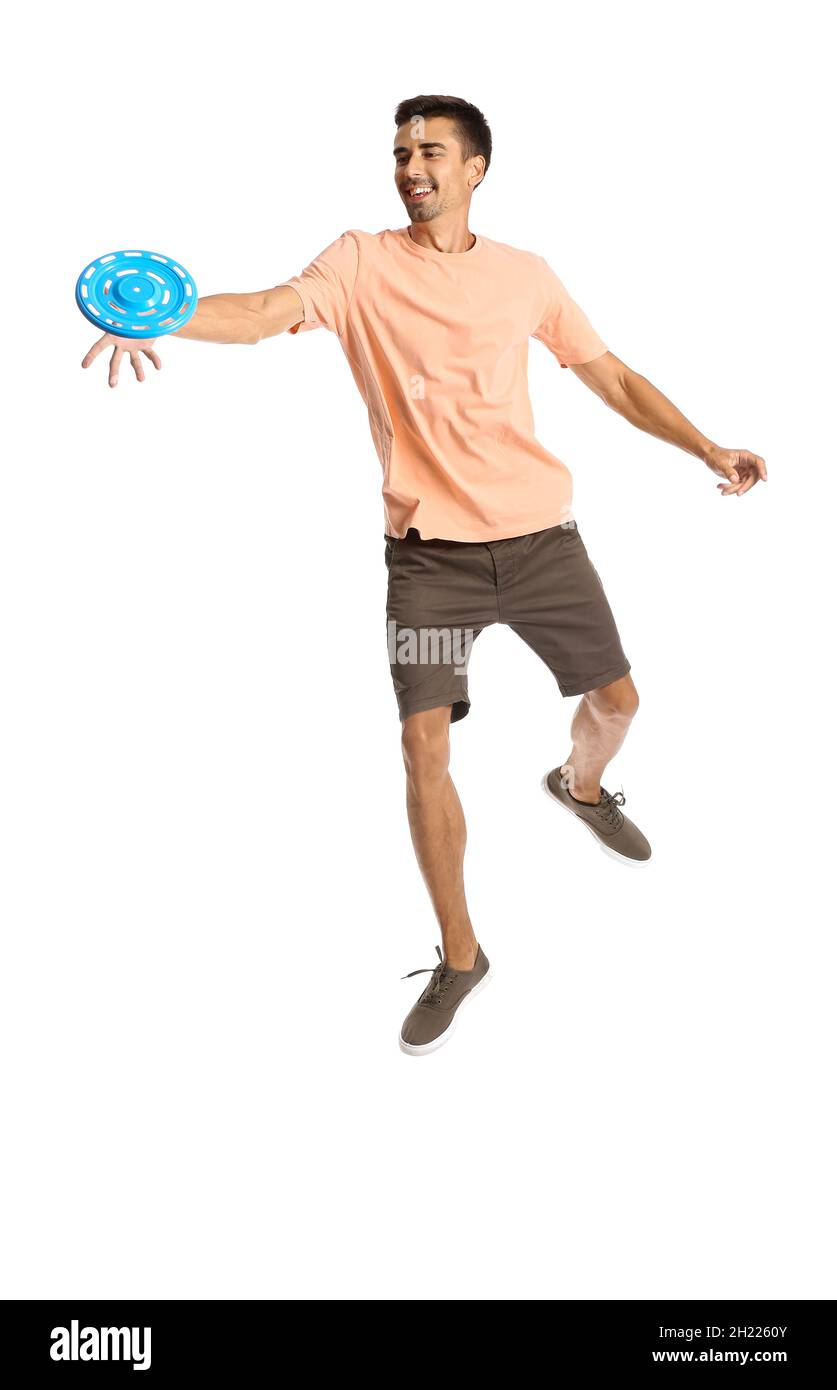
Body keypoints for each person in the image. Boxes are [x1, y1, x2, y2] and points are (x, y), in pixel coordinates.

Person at [81, 94, 767, 1057]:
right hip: (430, 565)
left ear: (475, 168)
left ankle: (578, 787)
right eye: (399, 151)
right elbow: (265, 312)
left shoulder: (527, 276)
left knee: (618, 703)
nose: (409, 166)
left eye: (430, 150)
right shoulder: (359, 262)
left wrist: (703, 445)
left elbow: (609, 375)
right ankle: (460, 953)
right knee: (423, 749)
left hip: (542, 547)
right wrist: (166, 311)